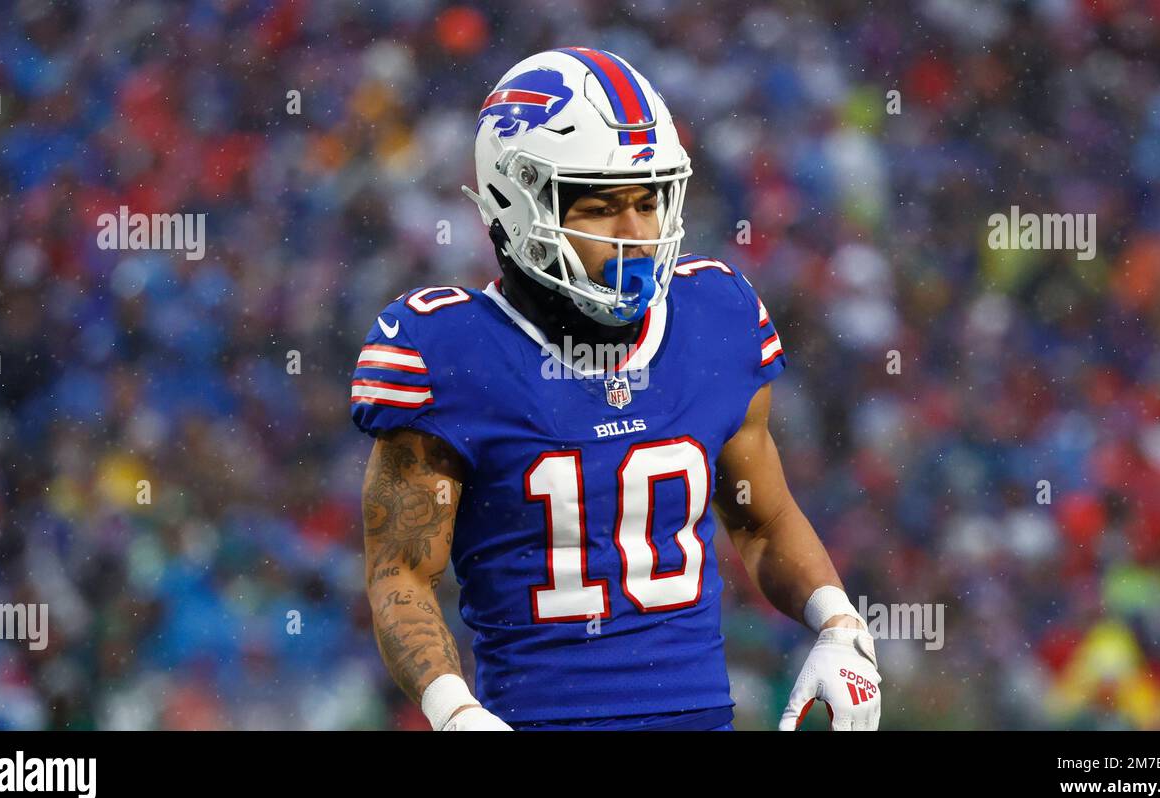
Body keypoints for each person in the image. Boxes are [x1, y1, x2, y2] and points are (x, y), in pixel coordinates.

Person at [351, 48, 881, 731]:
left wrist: (839, 622)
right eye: (601, 206)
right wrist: (454, 711)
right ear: (516, 206)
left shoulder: (714, 314)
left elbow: (764, 520)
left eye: (648, 201)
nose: (636, 234)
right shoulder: (449, 352)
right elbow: (400, 572)